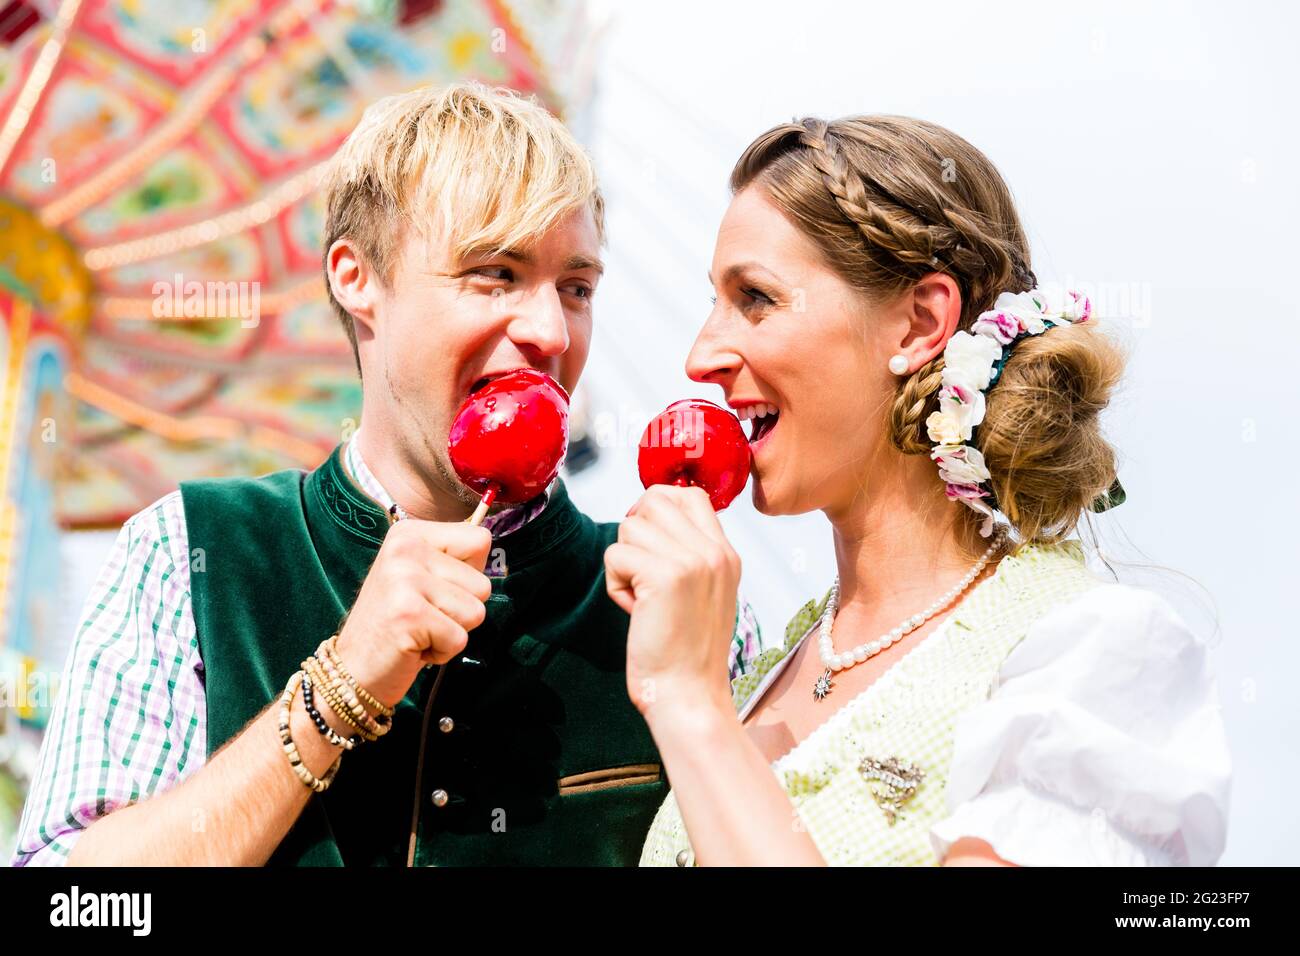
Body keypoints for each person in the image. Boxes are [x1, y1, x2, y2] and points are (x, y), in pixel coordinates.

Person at [11, 82, 762, 867]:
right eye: (495, 273)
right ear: (357, 277)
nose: (550, 332)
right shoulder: (191, 553)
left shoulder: (683, 605)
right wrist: (336, 689)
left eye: (576, 289)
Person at [609, 115, 1231, 867]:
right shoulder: (761, 676)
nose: (701, 355)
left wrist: (689, 702)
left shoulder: (1097, 659)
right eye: (715, 301)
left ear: (919, 323)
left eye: (757, 299)